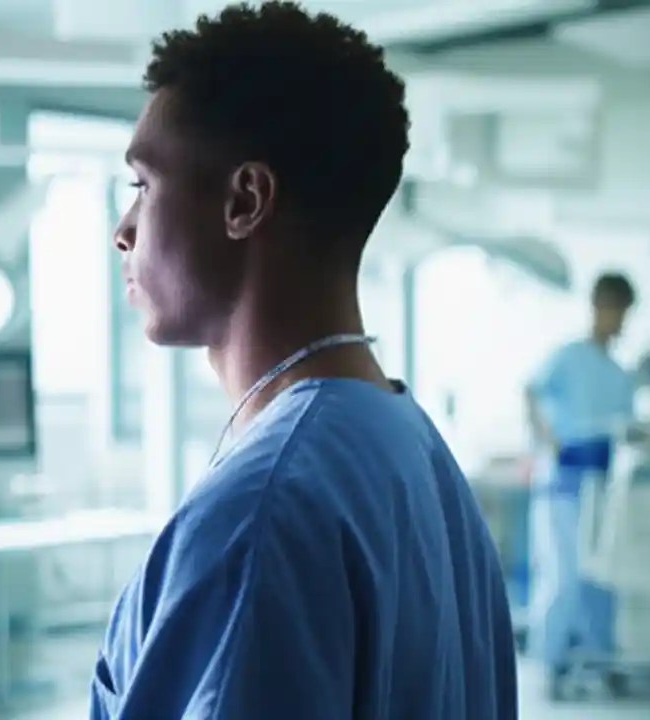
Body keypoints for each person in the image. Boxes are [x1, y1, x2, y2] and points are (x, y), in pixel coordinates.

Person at [90, 4, 518, 719]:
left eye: (143, 186)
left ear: (245, 200)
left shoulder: (260, 513)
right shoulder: (410, 449)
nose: (122, 231)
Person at [525, 272, 637, 697]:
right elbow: (530, 392)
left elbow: (622, 429)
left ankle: (599, 659)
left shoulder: (618, 373)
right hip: (565, 481)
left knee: (601, 577)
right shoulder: (568, 357)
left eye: (624, 312)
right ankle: (550, 665)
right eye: (614, 309)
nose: (619, 320)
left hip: (603, 486)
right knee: (564, 576)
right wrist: (548, 441)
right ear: (597, 306)